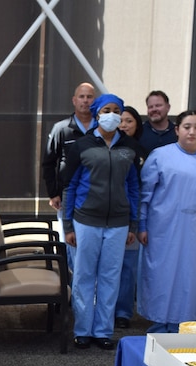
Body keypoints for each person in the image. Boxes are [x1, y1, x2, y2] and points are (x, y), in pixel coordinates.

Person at [137, 111, 196, 333]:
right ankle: (159, 322)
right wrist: (142, 224)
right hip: (162, 227)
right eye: (187, 127)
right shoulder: (160, 156)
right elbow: (145, 194)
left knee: (190, 277)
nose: (192, 131)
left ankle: (183, 324)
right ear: (177, 130)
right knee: (161, 273)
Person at [61, 93, 140, 350]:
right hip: (86, 221)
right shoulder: (81, 145)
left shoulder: (129, 147)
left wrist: (133, 224)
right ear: (97, 114)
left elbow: (134, 186)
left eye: (117, 110)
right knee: (84, 275)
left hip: (118, 223)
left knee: (110, 276)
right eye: (106, 109)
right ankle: (82, 329)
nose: (112, 114)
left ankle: (104, 330)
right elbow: (69, 187)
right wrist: (68, 226)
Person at [41, 82, 96, 266]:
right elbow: (49, 163)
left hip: (98, 197)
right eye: (82, 96)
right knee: (71, 244)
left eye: (89, 97)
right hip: (68, 197)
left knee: (93, 248)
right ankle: (71, 289)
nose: (85, 101)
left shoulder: (102, 129)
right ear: (74, 100)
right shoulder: (62, 129)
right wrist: (53, 193)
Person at [115, 105, 148, 329]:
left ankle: (123, 312)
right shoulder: (108, 147)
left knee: (128, 268)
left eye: (129, 121)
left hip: (132, 215)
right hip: (107, 216)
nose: (124, 125)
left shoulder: (142, 151)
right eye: (121, 121)